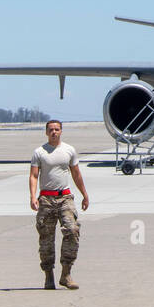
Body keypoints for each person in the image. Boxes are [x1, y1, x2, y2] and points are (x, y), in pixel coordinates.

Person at [29, 119, 89, 289]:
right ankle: (48, 275)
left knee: (72, 230)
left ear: (61, 131)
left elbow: (76, 174)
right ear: (46, 132)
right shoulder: (39, 152)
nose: (54, 132)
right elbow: (34, 175)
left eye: (57, 129)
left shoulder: (69, 150)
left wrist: (84, 194)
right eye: (51, 130)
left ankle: (66, 273)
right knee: (46, 239)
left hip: (65, 198)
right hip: (46, 199)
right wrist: (33, 196)